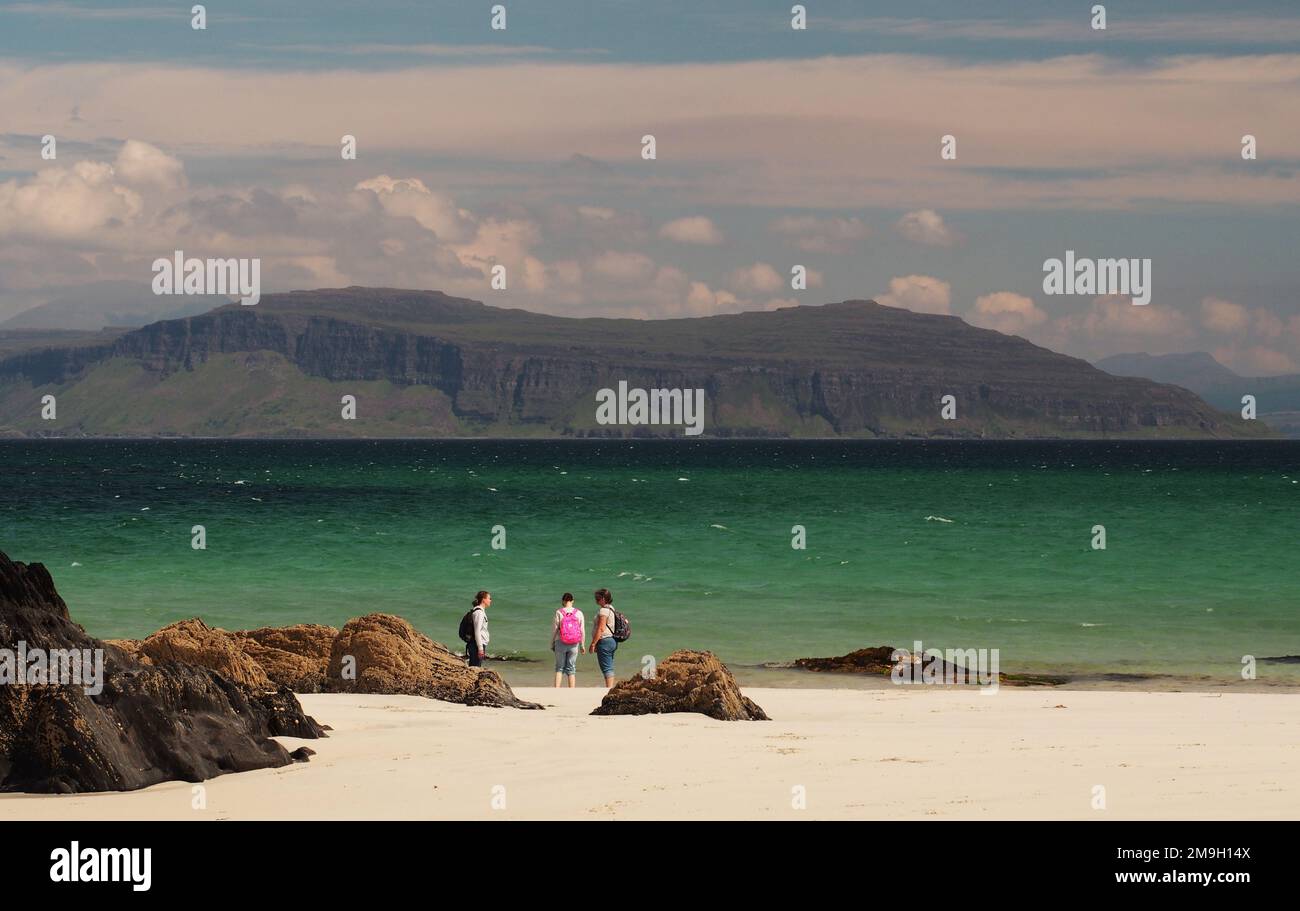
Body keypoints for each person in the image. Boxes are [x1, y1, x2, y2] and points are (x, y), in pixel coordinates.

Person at [550, 592, 585, 688]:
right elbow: (582, 630)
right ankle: (572, 690)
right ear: (572, 601)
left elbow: (555, 629)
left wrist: (552, 642)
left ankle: (557, 689)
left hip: (560, 641)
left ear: (563, 601)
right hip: (574, 643)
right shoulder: (579, 613)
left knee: (559, 668)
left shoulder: (559, 612)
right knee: (571, 668)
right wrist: (582, 645)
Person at [588, 588, 618, 688]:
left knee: (606, 668)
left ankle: (608, 689)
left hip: (604, 641)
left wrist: (593, 643)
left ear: (604, 598)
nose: (596, 600)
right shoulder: (612, 609)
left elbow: (601, 628)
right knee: (609, 665)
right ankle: (609, 687)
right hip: (612, 641)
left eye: (598, 598)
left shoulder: (604, 611)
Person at [467, 590, 490, 667]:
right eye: (489, 598)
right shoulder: (479, 613)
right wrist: (480, 648)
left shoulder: (479, 611)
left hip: (476, 644)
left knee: (475, 667)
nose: (490, 600)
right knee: (475, 668)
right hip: (476, 645)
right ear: (483, 599)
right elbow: (477, 631)